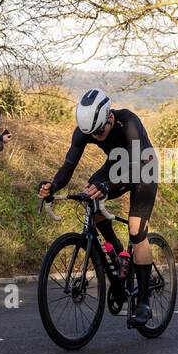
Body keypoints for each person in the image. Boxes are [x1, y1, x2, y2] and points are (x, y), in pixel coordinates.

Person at [38, 89, 159, 327]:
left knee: (136, 231)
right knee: (90, 199)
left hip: (143, 167)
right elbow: (67, 167)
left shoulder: (128, 122)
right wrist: (52, 185)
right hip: (116, 164)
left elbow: (136, 163)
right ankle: (116, 255)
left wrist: (107, 184)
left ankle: (143, 301)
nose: (97, 136)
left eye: (100, 131)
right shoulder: (86, 131)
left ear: (110, 119)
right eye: (91, 134)